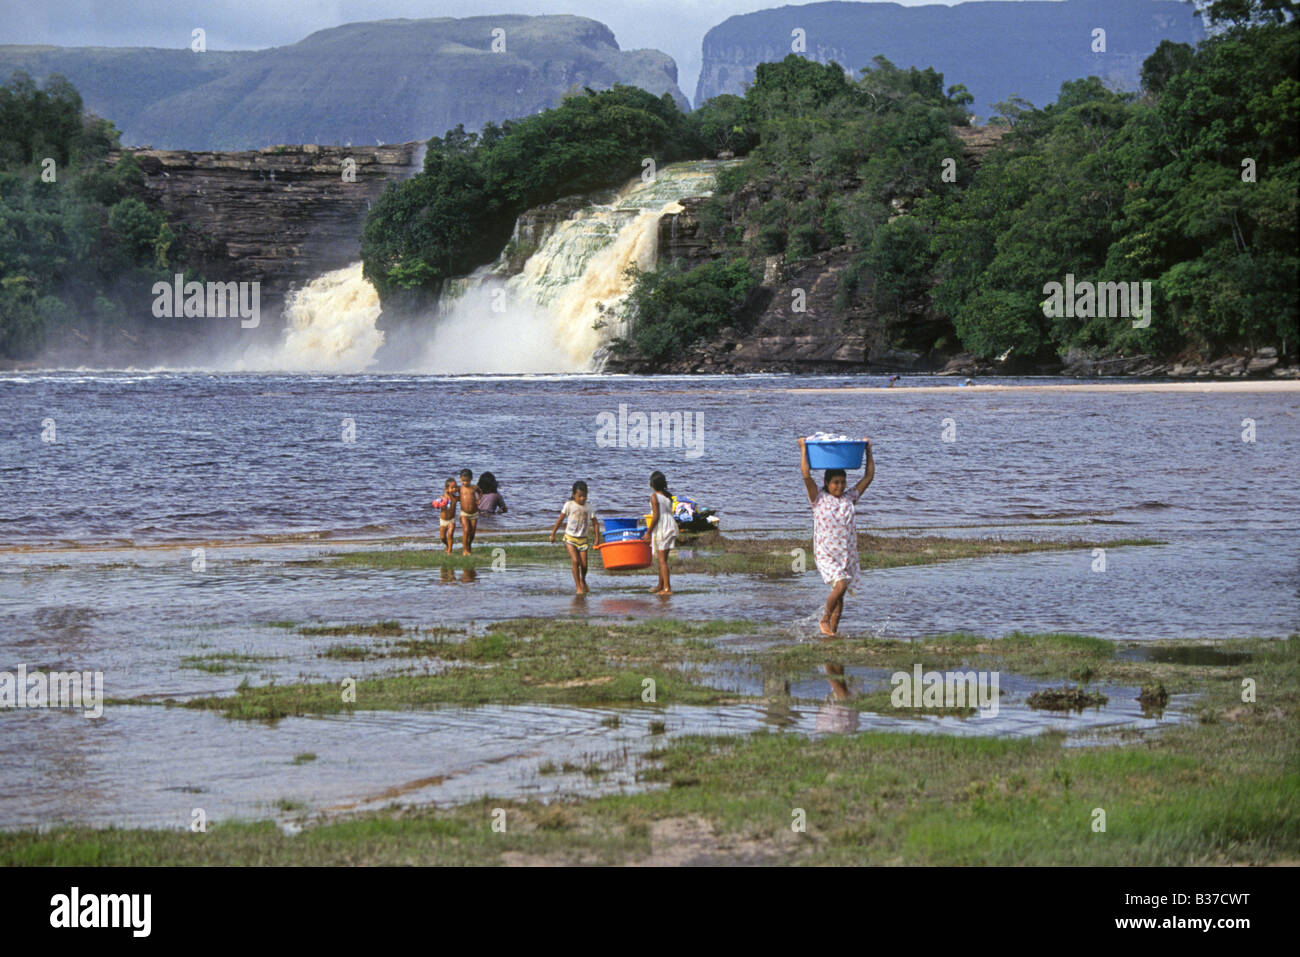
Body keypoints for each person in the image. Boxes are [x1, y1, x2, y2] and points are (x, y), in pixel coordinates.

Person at [799, 436, 875, 636]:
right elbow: (806, 475)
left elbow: (868, 477)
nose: (839, 487)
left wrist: (868, 451)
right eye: (835, 483)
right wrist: (803, 448)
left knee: (840, 596)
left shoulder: (849, 498)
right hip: (826, 554)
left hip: (846, 555)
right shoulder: (818, 498)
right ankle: (824, 619)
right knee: (840, 585)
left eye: (842, 482)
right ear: (826, 482)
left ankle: (832, 632)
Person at [550, 480, 600, 595]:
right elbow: (560, 519)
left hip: (583, 539)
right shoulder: (569, 505)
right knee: (575, 561)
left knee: (584, 565)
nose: (582, 499)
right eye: (580, 496)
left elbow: (595, 523)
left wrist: (597, 539)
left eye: (584, 496)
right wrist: (553, 534)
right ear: (574, 495)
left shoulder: (589, 507)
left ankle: (583, 579)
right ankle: (578, 587)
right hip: (570, 538)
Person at [645, 470, 677, 595]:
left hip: (663, 527)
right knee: (662, 559)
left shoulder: (654, 497)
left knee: (662, 560)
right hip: (670, 526)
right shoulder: (667, 497)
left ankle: (667, 588)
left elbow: (656, 516)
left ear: (651, 484)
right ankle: (660, 585)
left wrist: (648, 532)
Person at [431, 477, 458, 554]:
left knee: (450, 535)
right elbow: (437, 505)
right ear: (446, 489)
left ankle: (449, 551)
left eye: (455, 487)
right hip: (443, 521)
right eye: (452, 487)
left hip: (451, 520)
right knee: (442, 537)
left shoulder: (455, 498)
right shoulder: (443, 497)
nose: (454, 489)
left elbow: (463, 495)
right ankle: (447, 545)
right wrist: (438, 505)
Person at [457, 469, 479, 554]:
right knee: (466, 530)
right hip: (464, 513)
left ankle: (468, 545)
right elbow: (450, 493)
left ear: (471, 479)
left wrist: (479, 499)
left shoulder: (474, 488)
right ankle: (464, 549)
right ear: (460, 479)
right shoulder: (460, 489)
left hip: (474, 513)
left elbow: (480, 492)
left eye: (467, 481)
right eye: (463, 481)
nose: (465, 483)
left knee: (472, 533)